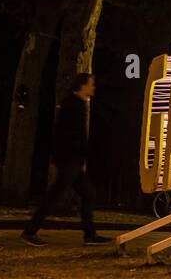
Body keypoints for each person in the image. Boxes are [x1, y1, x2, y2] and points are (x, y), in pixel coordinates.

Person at [22, 73, 108, 246]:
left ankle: (90, 235)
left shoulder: (78, 104)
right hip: (69, 159)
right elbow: (67, 133)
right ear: (83, 86)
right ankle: (30, 232)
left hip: (72, 159)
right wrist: (79, 150)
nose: (94, 87)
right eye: (91, 84)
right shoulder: (73, 104)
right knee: (55, 196)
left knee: (88, 193)